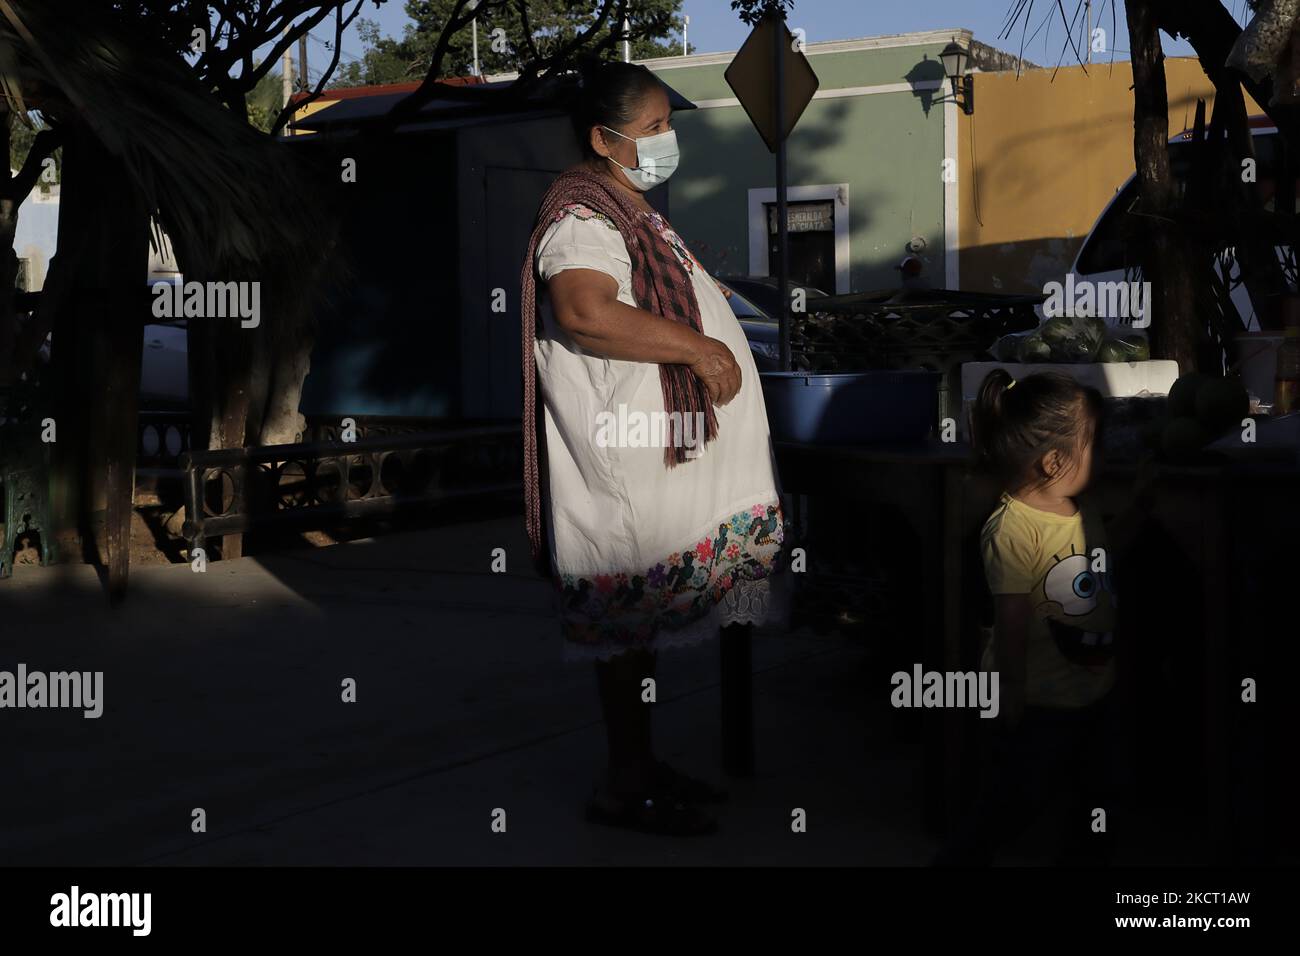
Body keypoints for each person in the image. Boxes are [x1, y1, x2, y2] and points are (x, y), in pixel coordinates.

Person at [519, 59, 788, 836]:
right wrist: (700, 352)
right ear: (604, 140)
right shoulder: (582, 219)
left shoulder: (626, 209)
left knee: (642, 631)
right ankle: (623, 781)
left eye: (670, 123)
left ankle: (636, 764)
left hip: (657, 462)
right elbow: (584, 311)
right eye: (654, 128)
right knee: (627, 628)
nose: (668, 139)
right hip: (627, 465)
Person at [934, 369, 1146, 866]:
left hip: (1092, 694)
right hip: (1036, 705)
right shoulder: (1011, 529)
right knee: (1010, 806)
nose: (1104, 453)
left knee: (1100, 800)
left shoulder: (1079, 508)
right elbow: (1010, 625)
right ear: (1054, 461)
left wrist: (1141, 505)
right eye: (1093, 443)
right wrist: (1010, 702)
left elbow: (1105, 558)